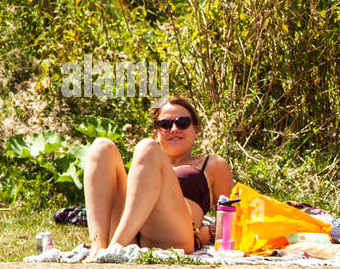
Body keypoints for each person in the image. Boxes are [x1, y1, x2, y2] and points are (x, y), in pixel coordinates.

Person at [83, 96, 235, 255]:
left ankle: (115, 248)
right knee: (102, 147)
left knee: (147, 147)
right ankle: (98, 248)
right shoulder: (145, 162)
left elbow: (233, 217)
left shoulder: (212, 164)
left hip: (172, 235)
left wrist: (208, 233)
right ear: (156, 132)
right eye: (165, 124)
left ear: (195, 129)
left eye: (182, 123)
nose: (174, 129)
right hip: (132, 232)